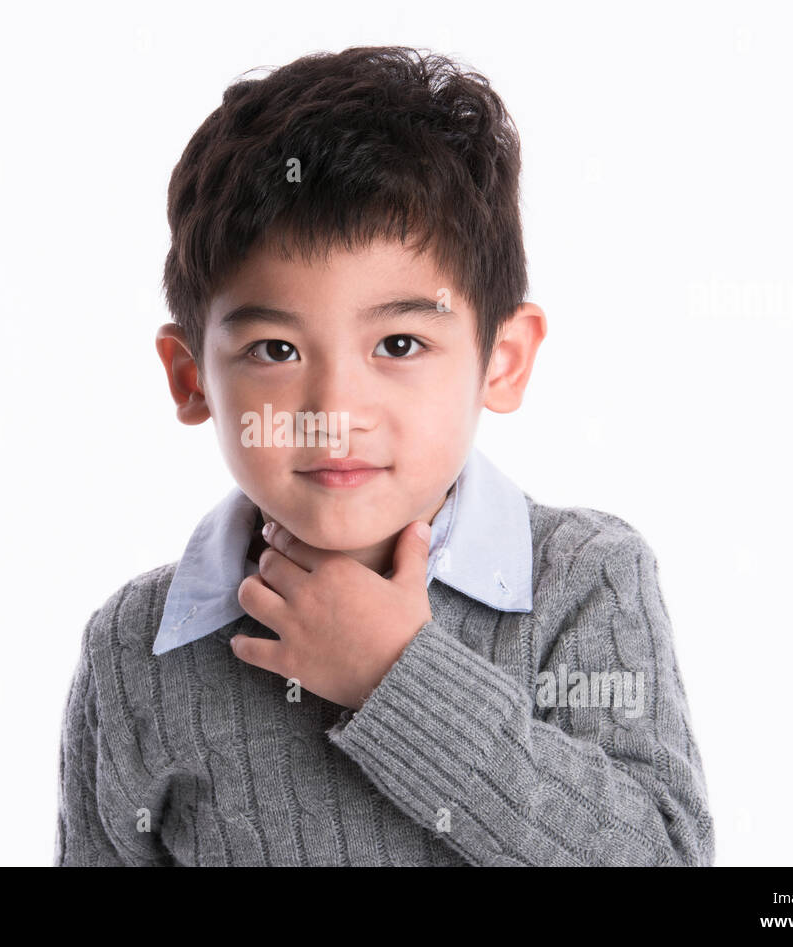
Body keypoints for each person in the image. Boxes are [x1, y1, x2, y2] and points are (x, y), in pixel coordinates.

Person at [54, 45, 714, 866]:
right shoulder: (135, 647)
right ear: (192, 380)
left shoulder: (584, 579)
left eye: (399, 343)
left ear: (501, 360)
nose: (336, 414)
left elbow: (661, 855)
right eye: (274, 349)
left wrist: (399, 676)